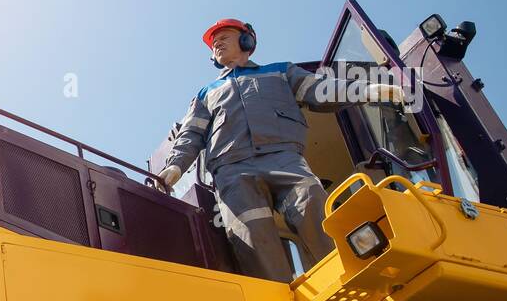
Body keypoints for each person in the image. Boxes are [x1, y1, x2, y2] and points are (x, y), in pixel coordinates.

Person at [157, 18, 403, 282]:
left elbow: (322, 90)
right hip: (232, 170)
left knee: (312, 204)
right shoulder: (206, 93)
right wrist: (175, 166)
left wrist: (365, 90)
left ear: (246, 41)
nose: (217, 43)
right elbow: (191, 134)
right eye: (213, 42)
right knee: (251, 234)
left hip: (284, 158)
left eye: (224, 36)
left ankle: (343, 279)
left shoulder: (281, 72)